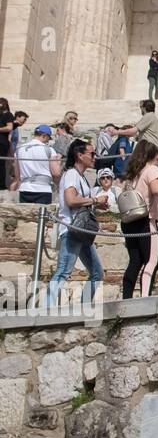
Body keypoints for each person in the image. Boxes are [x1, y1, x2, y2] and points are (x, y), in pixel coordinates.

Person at [46, 140, 106, 308]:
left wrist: (97, 203)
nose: (95, 157)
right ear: (80, 155)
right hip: (71, 230)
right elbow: (71, 200)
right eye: (92, 154)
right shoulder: (72, 174)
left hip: (81, 231)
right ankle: (45, 309)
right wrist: (95, 199)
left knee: (97, 273)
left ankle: (83, 307)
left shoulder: (80, 177)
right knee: (63, 271)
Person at [121, 140, 158, 299]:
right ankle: (145, 298)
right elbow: (156, 190)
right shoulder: (152, 169)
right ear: (151, 154)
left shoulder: (133, 173)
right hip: (146, 221)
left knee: (135, 261)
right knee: (152, 261)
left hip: (129, 222)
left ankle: (127, 297)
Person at [14, 125, 60, 204]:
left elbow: (17, 173)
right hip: (43, 189)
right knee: (41, 215)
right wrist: (58, 162)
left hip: (25, 189)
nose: (48, 141)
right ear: (44, 136)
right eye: (48, 139)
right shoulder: (49, 150)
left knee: (26, 216)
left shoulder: (19, 149)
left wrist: (19, 185)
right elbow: (56, 173)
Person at [0, 97, 13, 190]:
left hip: (2, 142)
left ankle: (1, 185)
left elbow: (9, 127)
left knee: (1, 163)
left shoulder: (8, 114)